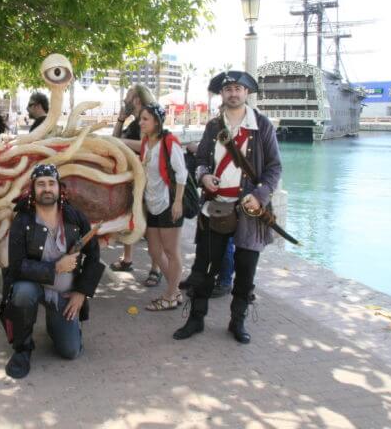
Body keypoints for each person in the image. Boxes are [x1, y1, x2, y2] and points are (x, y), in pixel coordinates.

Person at [173, 71, 281, 344]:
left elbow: (273, 168)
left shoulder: (263, 127)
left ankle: (237, 322)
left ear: (247, 92)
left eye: (238, 88)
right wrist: (204, 176)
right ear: (222, 94)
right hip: (216, 208)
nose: (233, 93)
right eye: (228, 89)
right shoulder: (213, 126)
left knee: (245, 272)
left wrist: (260, 195)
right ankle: (196, 319)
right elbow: (200, 162)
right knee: (203, 269)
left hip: (249, 212)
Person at [1, 164, 104, 379]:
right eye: (41, 184)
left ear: (59, 188)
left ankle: (54, 323)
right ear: (33, 189)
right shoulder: (23, 220)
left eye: (51, 183)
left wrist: (82, 292)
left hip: (64, 292)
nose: (46, 188)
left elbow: (94, 256)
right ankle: (23, 349)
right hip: (33, 285)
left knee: (71, 351)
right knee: (22, 292)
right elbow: (17, 266)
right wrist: (55, 267)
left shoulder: (75, 217)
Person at [110, 85, 164, 288]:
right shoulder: (134, 121)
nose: (125, 99)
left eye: (129, 97)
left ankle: (155, 269)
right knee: (131, 218)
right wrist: (121, 119)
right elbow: (116, 139)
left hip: (151, 180)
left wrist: (121, 143)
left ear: (138, 100)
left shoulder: (151, 117)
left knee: (152, 225)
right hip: (133, 178)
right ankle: (127, 259)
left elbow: (148, 146)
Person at [137, 103, 187, 311]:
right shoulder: (146, 143)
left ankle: (169, 296)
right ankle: (174, 291)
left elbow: (182, 173)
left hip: (169, 203)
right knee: (155, 252)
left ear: (156, 121)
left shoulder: (169, 142)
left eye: (145, 119)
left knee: (171, 251)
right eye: (141, 119)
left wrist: (177, 202)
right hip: (152, 203)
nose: (141, 123)